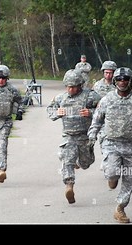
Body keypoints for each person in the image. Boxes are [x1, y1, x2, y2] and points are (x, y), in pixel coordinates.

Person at [87, 67, 132, 223]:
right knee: (111, 173)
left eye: (125, 79)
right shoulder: (107, 100)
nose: (122, 82)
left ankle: (120, 208)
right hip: (112, 144)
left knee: (131, 178)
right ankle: (112, 177)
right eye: (119, 79)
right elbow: (96, 121)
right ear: (115, 82)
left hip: (131, 147)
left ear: (130, 81)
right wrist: (91, 137)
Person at [47, 69, 101, 204]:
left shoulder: (91, 96)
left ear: (80, 85)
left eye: (73, 87)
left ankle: (78, 162)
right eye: (68, 87)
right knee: (67, 159)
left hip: (85, 137)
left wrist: (91, 112)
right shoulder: (61, 98)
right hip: (69, 136)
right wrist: (56, 113)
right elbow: (50, 109)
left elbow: (104, 109)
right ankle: (69, 186)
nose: (70, 89)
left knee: (86, 163)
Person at [92, 61, 117, 170]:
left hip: (115, 116)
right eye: (106, 72)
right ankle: (106, 158)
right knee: (103, 138)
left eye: (111, 73)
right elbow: (92, 100)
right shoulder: (97, 85)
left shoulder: (118, 84)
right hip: (101, 117)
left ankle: (114, 159)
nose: (108, 75)